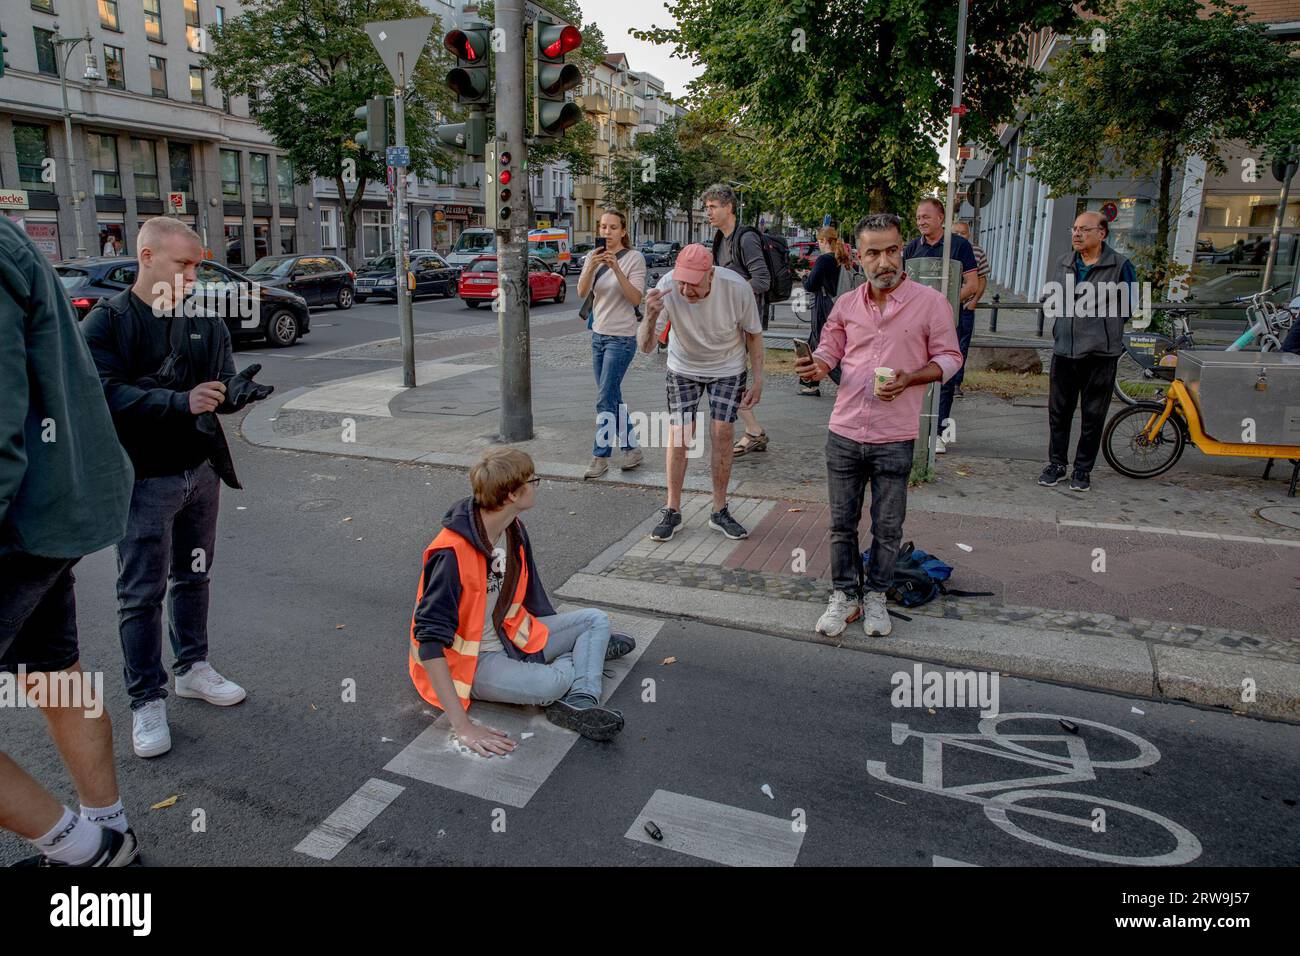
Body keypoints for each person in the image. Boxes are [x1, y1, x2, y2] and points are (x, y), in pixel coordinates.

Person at [83, 217, 273, 759]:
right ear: (146, 257)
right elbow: (99, 395)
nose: (194, 275)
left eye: (196, 265)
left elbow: (217, 383)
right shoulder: (109, 322)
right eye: (183, 264)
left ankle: (192, 667)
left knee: (193, 576)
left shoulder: (203, 318)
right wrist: (178, 401)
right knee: (139, 594)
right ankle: (146, 699)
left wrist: (237, 393)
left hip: (200, 471)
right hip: (142, 479)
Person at [0, 216, 140, 866]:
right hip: (49, 509)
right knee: (53, 675)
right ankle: (111, 833)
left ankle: (89, 852)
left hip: (18, 520)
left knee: (55, 677)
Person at [795, 213, 963, 638]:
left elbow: (950, 357)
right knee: (841, 524)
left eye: (892, 250)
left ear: (902, 249)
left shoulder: (931, 302)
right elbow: (830, 349)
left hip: (895, 434)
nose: (884, 261)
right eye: (873, 252)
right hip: (845, 431)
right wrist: (815, 366)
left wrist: (912, 377)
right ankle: (844, 595)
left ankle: (876, 595)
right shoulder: (847, 305)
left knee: (888, 527)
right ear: (858, 256)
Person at [408, 449, 635, 750]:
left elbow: (526, 597)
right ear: (513, 495)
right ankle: (585, 659)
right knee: (550, 684)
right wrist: (462, 726)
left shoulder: (510, 527)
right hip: (470, 663)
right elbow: (429, 643)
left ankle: (581, 698)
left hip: (511, 634)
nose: (538, 484)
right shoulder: (450, 553)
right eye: (533, 480)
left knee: (595, 620)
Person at [640, 244, 764, 542]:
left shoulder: (736, 288)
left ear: (711, 275)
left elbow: (754, 335)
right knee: (681, 434)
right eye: (682, 281)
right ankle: (672, 509)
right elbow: (645, 347)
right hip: (682, 365)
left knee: (722, 432)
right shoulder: (668, 286)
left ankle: (719, 510)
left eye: (693, 283)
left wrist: (758, 379)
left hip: (727, 366)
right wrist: (648, 316)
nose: (686, 290)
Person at [1038, 211, 1137, 493]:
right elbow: (1054, 295)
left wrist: (1100, 320)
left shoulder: (1120, 265)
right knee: (1058, 412)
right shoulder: (1064, 262)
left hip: (1100, 354)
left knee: (1093, 415)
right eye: (1075, 228)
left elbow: (1130, 307)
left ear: (1102, 234)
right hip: (1065, 350)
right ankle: (1056, 464)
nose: (1077, 234)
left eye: (1084, 229)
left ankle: (1082, 470)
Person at [902, 198, 980, 454]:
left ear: (940, 217)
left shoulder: (959, 246)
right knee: (914, 372)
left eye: (926, 216)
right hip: (916, 325)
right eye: (918, 218)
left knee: (944, 375)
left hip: (947, 323)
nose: (921, 222)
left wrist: (944, 308)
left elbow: (972, 283)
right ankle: (914, 427)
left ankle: (938, 432)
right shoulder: (913, 248)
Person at [577, 209, 646, 480]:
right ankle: (632, 449)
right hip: (598, 336)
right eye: (603, 226)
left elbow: (635, 298)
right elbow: (582, 292)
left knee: (605, 398)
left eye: (613, 227)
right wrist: (592, 266)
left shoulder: (634, 259)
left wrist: (616, 269)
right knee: (612, 397)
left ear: (623, 231)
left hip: (622, 338)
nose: (607, 232)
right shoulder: (593, 257)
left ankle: (600, 456)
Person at [703, 183, 772, 456]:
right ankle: (754, 430)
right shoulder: (721, 239)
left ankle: (754, 431)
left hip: (744, 321)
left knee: (726, 374)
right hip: (726, 319)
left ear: (729, 207)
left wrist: (734, 294)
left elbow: (762, 279)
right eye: (706, 207)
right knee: (727, 374)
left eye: (713, 207)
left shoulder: (745, 239)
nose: (708, 212)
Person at [798, 226, 852, 397]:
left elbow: (810, 285)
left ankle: (851, 385)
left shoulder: (824, 260)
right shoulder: (841, 258)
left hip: (824, 307)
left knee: (825, 345)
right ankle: (810, 383)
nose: (818, 244)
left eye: (818, 241)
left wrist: (805, 276)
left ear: (823, 241)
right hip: (837, 304)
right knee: (814, 342)